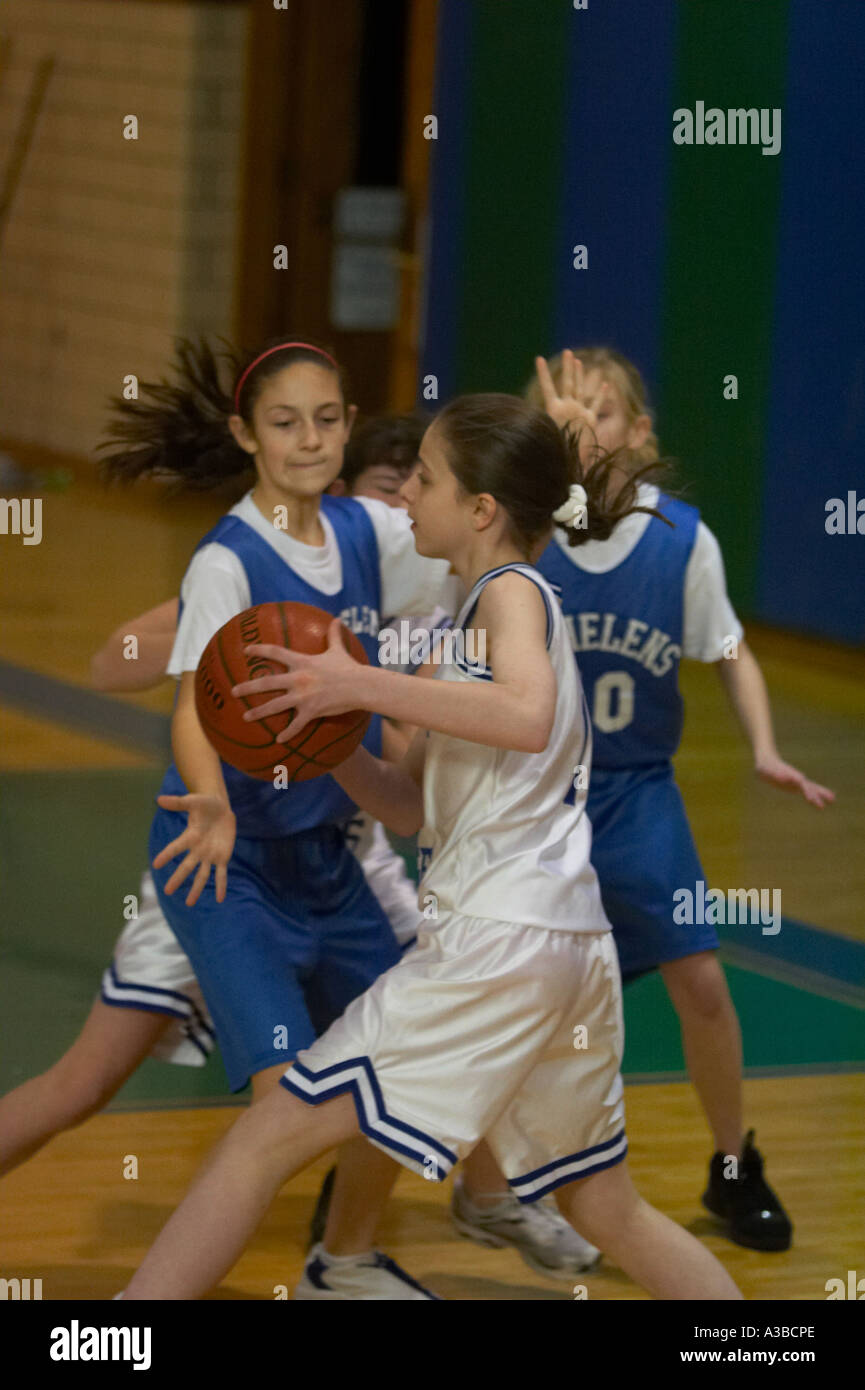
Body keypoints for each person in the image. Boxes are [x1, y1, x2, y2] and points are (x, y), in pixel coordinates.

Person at [119, 392, 743, 1301]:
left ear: (480, 510)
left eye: (425, 477)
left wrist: (359, 682)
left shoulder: (510, 594)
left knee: (263, 1138)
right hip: (562, 949)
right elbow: (408, 808)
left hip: (497, 945)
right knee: (603, 1205)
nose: (404, 492)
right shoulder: (469, 618)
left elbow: (524, 714)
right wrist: (328, 736)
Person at [529, 348, 834, 1251]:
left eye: (601, 411)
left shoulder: (681, 539)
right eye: (565, 413)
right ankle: (442, 1165)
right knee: (516, 993)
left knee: (700, 977)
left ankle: (733, 1166)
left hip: (637, 797)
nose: (584, 426)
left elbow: (730, 647)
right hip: (538, 800)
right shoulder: (525, 528)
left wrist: (764, 747)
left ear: (640, 431)